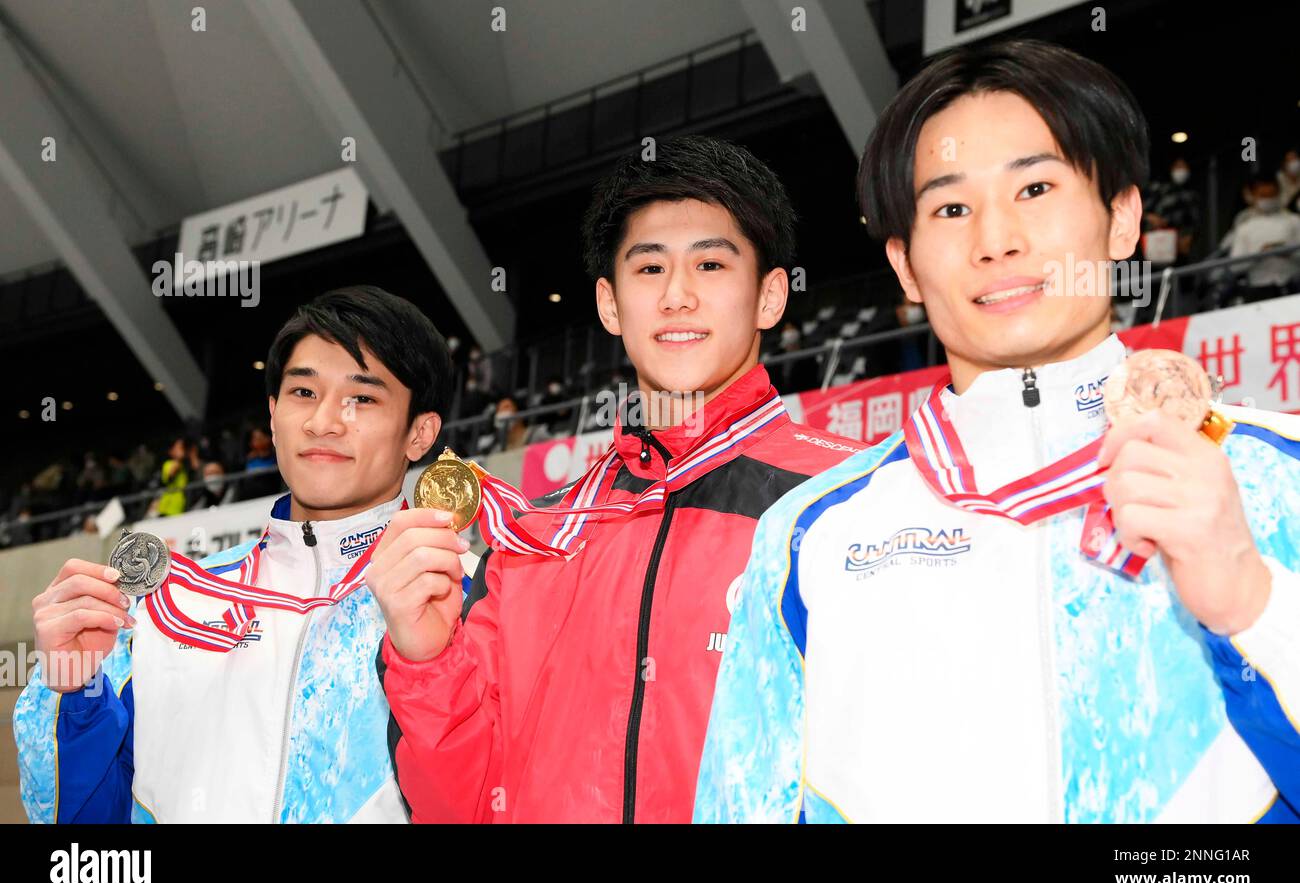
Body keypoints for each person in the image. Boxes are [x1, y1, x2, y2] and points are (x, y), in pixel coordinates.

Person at [695, 39, 1300, 824]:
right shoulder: (809, 539)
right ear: (907, 267)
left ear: (1122, 219)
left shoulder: (1277, 477)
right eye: (951, 207)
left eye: (1036, 187)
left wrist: (1253, 604)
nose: (996, 239)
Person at [372, 135, 862, 823]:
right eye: (649, 268)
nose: (678, 296)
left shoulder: (849, 498)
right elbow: (460, 805)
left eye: (712, 264)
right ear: (609, 304)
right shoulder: (534, 540)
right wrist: (426, 659)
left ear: (769, 296)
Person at [12, 286, 454, 823]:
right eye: (303, 394)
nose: (324, 422)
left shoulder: (473, 597)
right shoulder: (163, 607)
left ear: (420, 433)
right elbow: (87, 839)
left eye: (363, 398)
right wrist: (74, 690)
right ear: (272, 415)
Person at [157, 437, 192, 516]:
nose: (181, 450)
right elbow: (170, 476)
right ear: (171, 452)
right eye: (178, 448)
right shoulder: (168, 464)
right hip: (168, 506)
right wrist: (179, 457)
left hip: (183, 504)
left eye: (182, 448)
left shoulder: (185, 464)